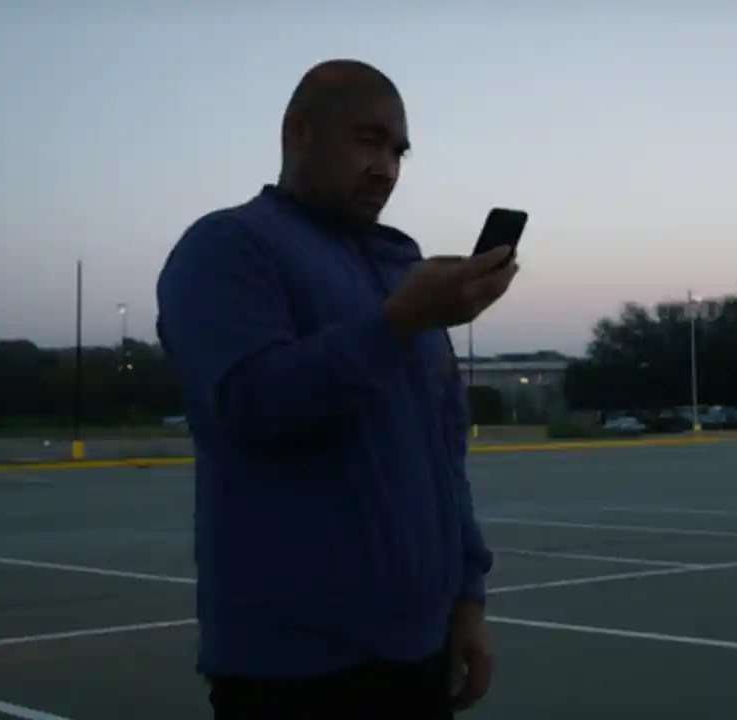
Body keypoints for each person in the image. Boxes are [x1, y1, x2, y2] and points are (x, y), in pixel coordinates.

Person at [155, 58, 518, 718]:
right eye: (367, 140)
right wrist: (400, 322)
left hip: (422, 654)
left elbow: (444, 457)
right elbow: (253, 405)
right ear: (299, 132)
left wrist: (468, 601)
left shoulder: (400, 264)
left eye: (398, 150)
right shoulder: (227, 249)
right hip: (292, 672)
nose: (386, 167)